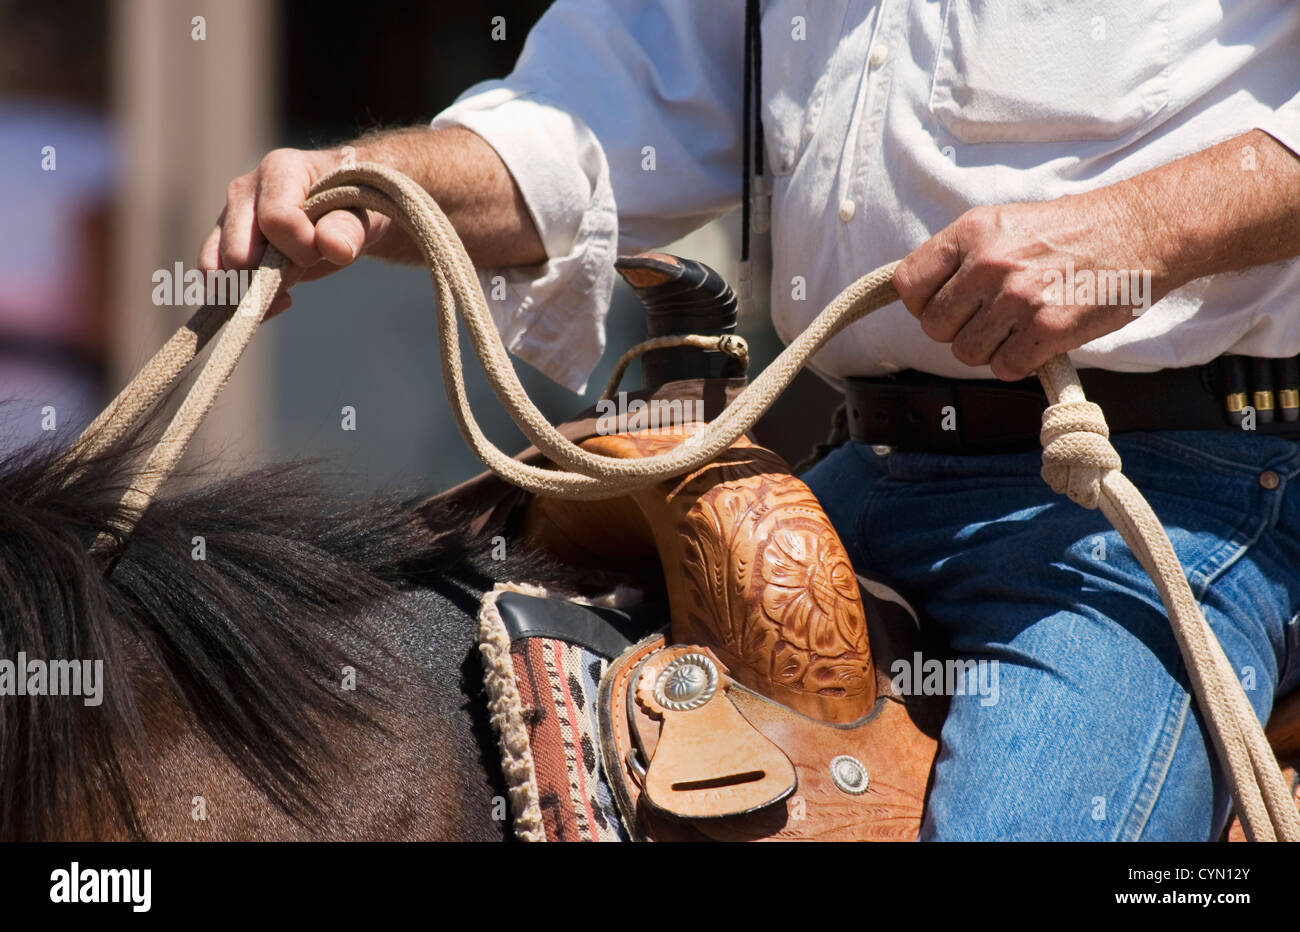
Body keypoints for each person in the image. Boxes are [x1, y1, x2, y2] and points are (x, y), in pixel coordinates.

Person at [200, 1, 1300, 840]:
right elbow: (599, 116)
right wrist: (365, 176)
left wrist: (1137, 229)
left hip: (1156, 489)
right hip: (863, 467)